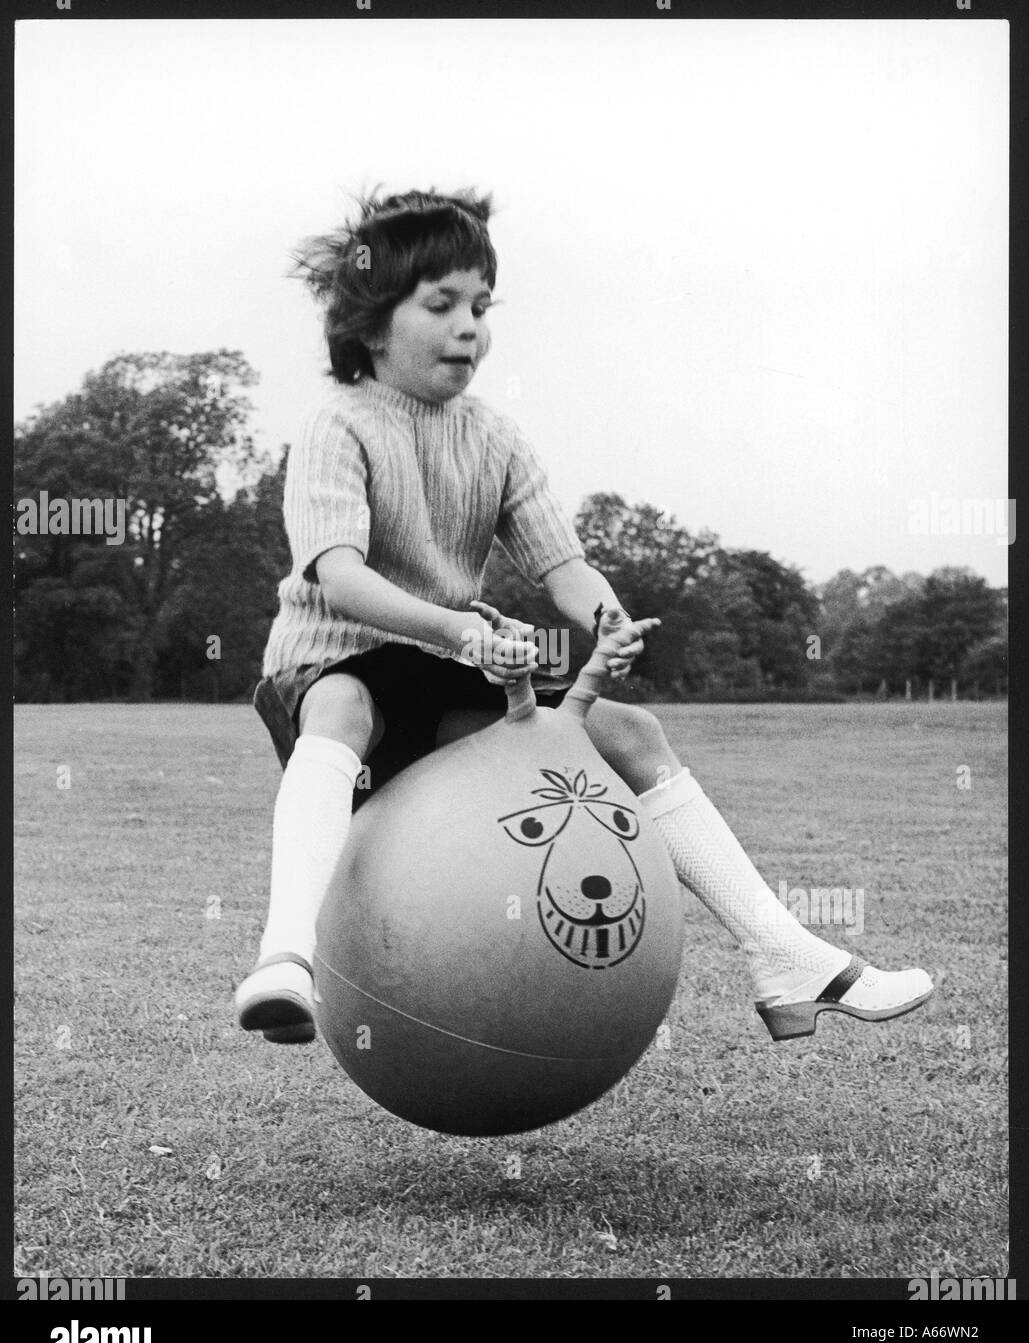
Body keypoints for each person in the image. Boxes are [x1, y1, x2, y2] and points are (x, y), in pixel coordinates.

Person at [235, 187, 932, 1046]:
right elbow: (338, 577)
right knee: (345, 703)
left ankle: (786, 956)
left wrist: (608, 619)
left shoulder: (495, 436)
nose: (470, 327)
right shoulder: (335, 423)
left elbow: (562, 566)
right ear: (374, 323)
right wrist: (458, 629)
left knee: (631, 732)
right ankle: (285, 960)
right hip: (330, 663)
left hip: (447, 667)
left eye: (482, 307)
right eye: (442, 304)